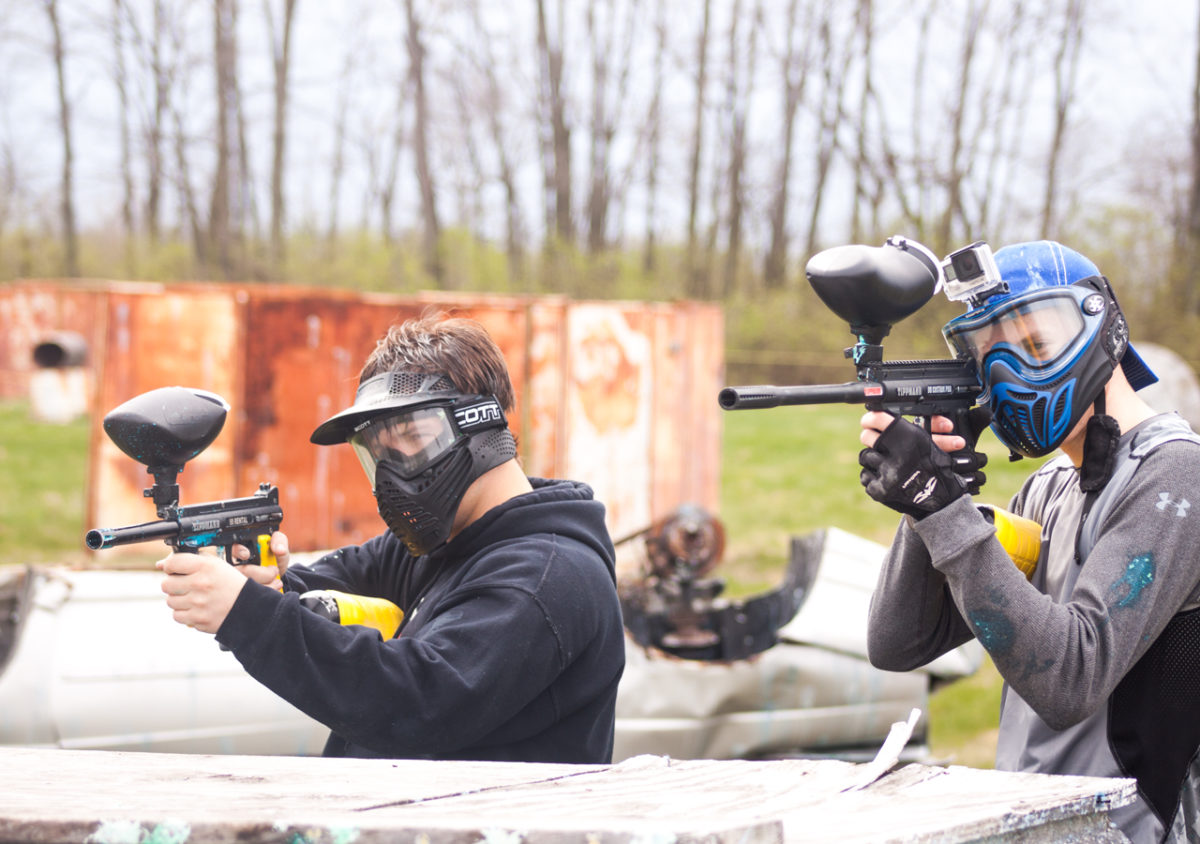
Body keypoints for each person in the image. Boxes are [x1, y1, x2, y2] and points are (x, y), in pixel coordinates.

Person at [157, 313, 626, 763]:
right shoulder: (445, 542)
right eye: (377, 451)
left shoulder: (546, 579)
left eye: (412, 438)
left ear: (481, 424)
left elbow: (418, 699)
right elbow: (338, 578)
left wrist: (249, 615)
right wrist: (268, 584)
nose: (391, 472)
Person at [857, 240, 1200, 842]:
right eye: (988, 356)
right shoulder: (1052, 485)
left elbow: (1071, 677)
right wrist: (932, 498)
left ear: (1104, 328)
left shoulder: (1176, 477)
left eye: (1035, 346)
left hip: (1130, 829)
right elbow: (898, 641)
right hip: (1034, 825)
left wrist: (943, 507)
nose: (1008, 375)